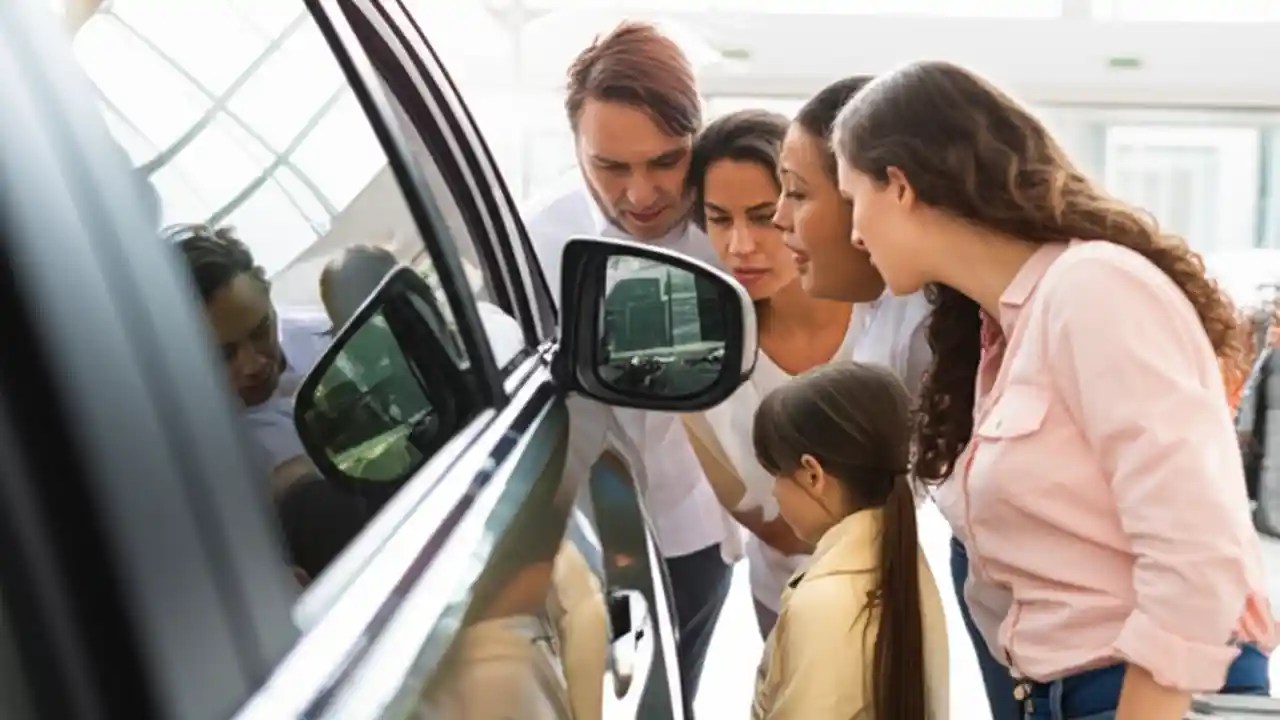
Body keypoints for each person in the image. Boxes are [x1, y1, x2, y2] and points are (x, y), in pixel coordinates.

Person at [832, 60, 1273, 720]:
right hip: (1058, 693)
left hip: (1140, 694)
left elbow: (1197, 546)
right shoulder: (998, 330)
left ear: (899, 186)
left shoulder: (1093, 290)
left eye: (852, 199)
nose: (854, 232)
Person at [523, 21, 736, 714]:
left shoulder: (734, 233)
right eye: (611, 167)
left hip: (694, 531)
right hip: (575, 543)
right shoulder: (538, 238)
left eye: (666, 162)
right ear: (576, 148)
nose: (641, 193)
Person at [680, 109, 858, 640]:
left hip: (887, 596)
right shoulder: (708, 348)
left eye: (762, 216)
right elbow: (769, 523)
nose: (739, 246)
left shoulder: (881, 310)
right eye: (718, 218)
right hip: (783, 603)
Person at [750, 362, 948, 720]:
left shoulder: (825, 602)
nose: (774, 492)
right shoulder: (901, 555)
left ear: (813, 474)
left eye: (777, 472)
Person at [171, 223, 330, 496]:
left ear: (268, 293)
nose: (254, 365)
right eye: (223, 355)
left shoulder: (326, 335)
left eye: (260, 331)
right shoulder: (202, 460)